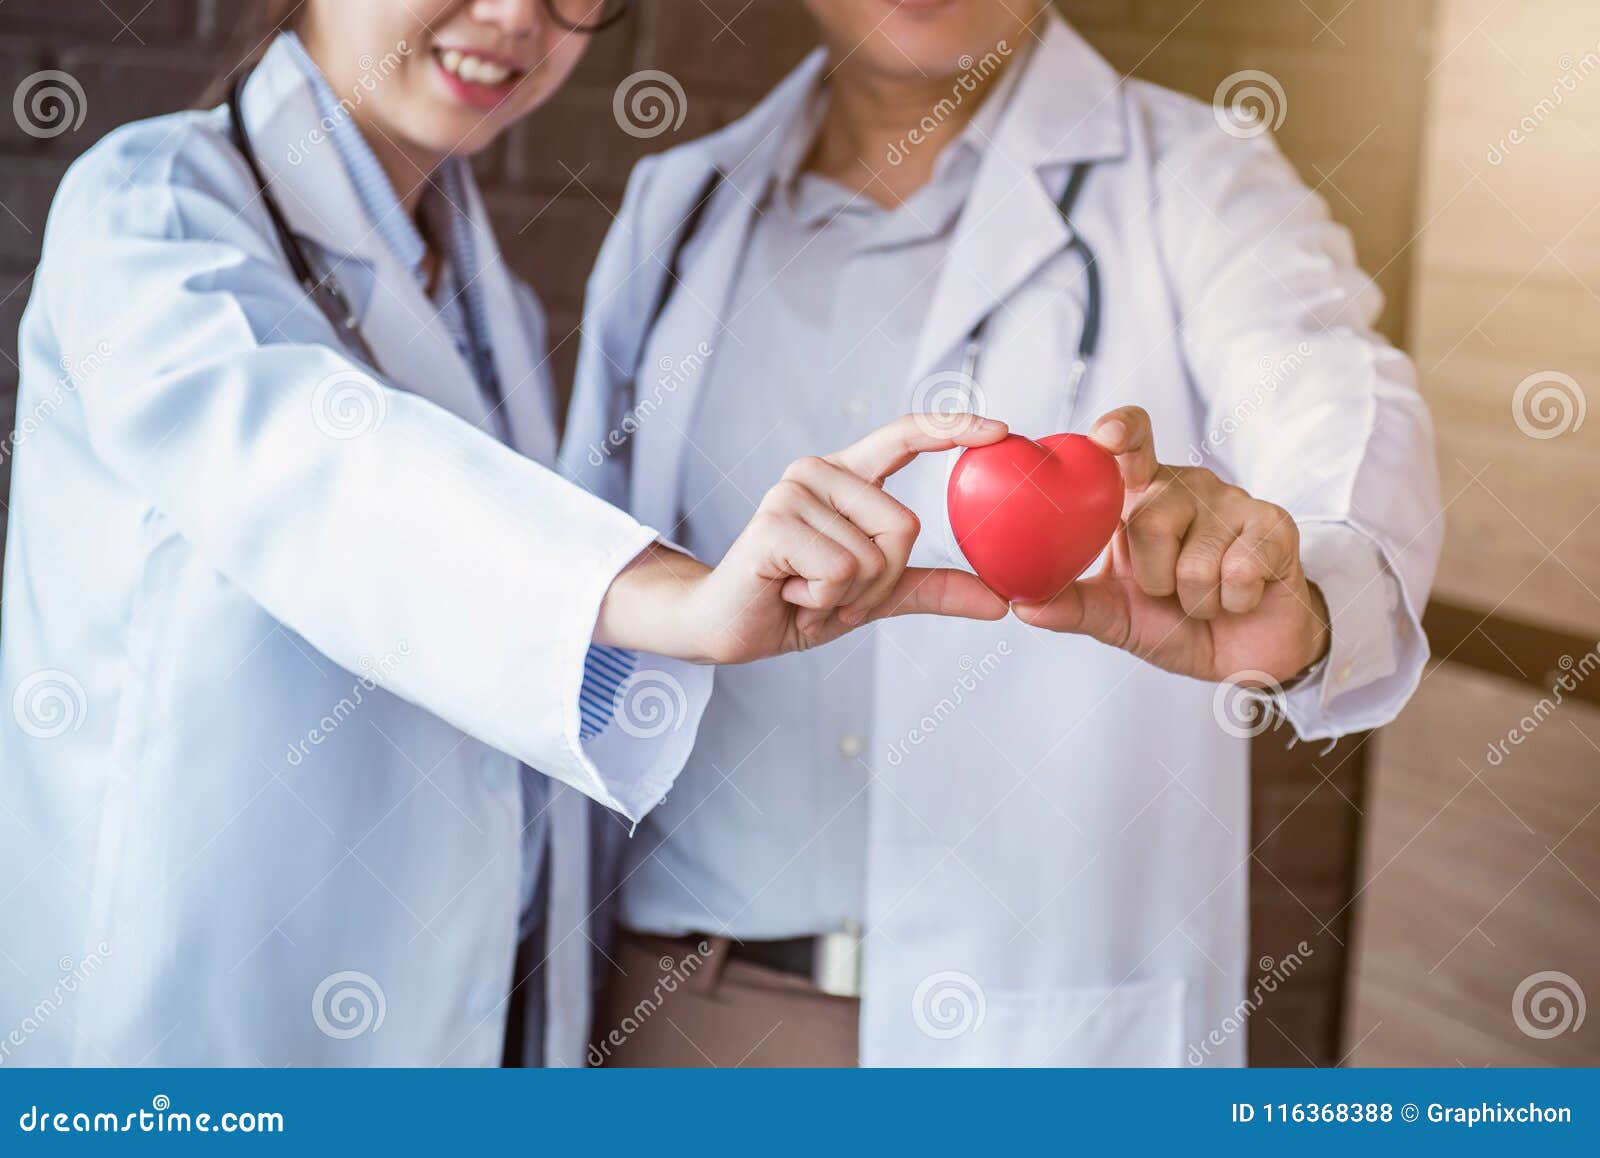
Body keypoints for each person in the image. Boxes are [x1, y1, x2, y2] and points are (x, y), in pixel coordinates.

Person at [0, 0, 1011, 1067]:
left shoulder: (495, 306)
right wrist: (671, 598)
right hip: (189, 1032)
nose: (516, 18)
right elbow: (320, 467)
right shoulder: (149, 209)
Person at [563, 0, 1443, 1065]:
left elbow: (1327, 387)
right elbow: (582, 579)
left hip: (1040, 1032)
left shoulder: (1197, 175)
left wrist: (1300, 579)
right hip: (687, 1015)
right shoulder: (684, 205)